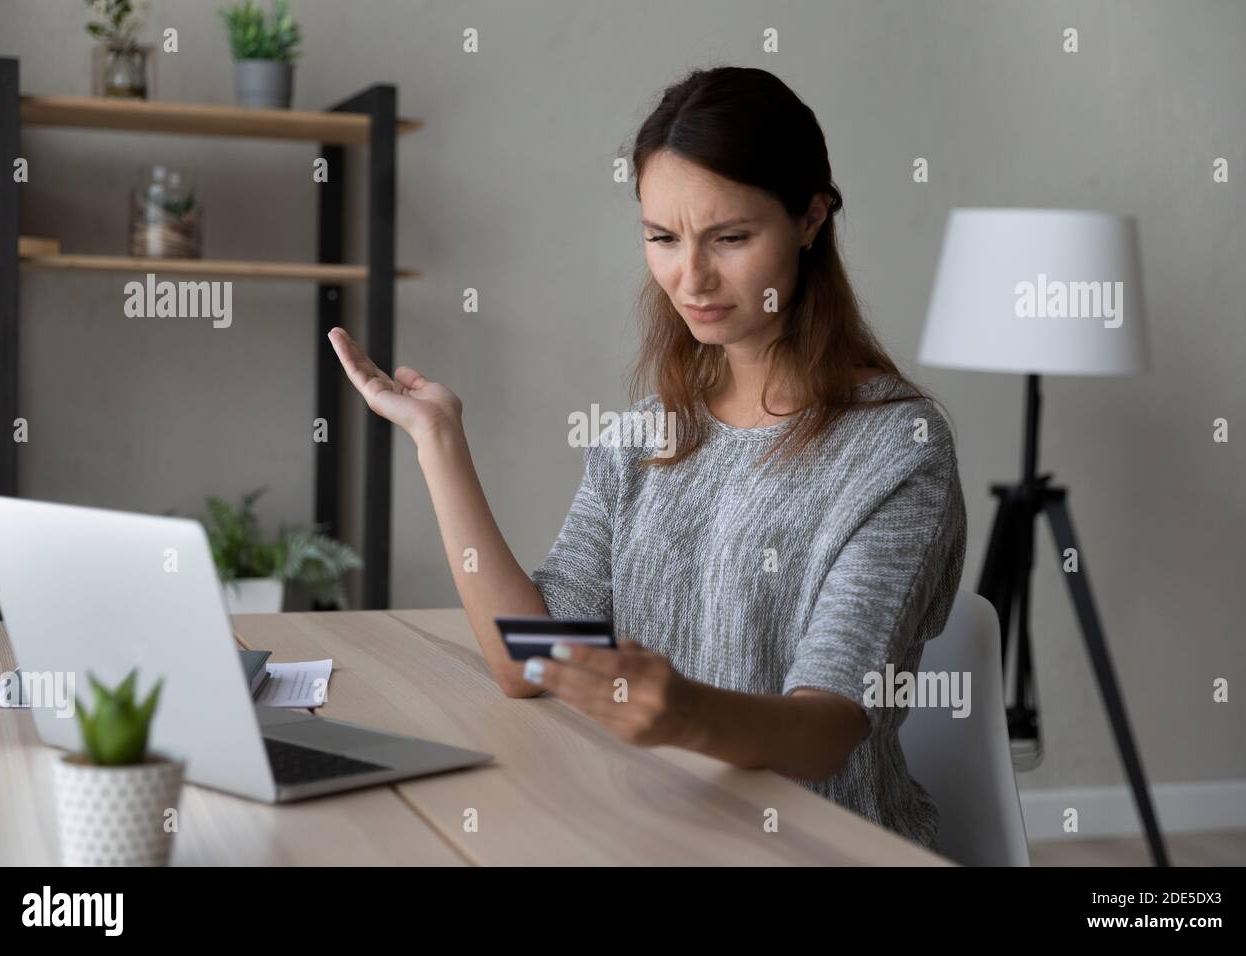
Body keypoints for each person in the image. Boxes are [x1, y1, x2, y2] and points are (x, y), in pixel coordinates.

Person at [328, 65, 966, 851]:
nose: (690, 278)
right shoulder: (645, 432)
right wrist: (439, 440)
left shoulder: (896, 448)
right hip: (653, 829)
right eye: (663, 238)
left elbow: (830, 728)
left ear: (810, 218)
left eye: (730, 238)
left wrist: (686, 713)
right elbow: (528, 661)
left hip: (819, 845)